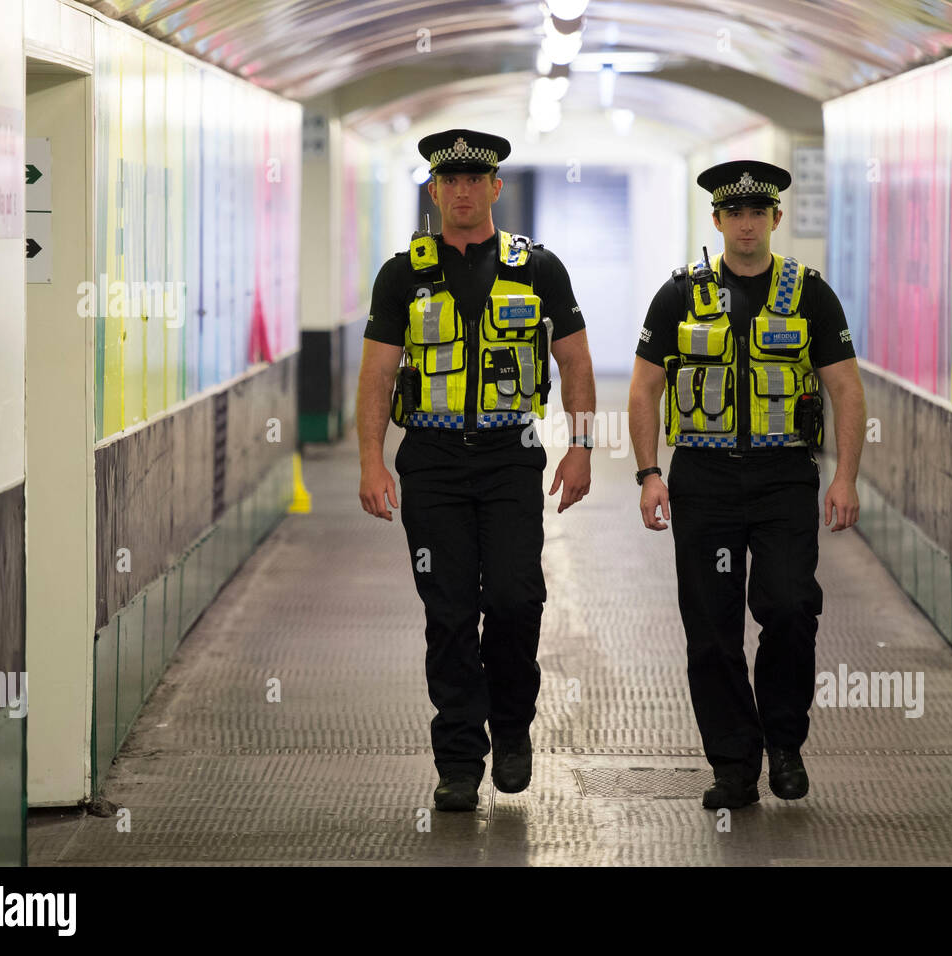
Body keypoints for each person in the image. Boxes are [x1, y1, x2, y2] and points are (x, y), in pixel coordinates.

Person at [357, 129, 596, 811]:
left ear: (495, 187)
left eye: (474, 179)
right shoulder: (402, 274)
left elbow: (574, 361)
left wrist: (581, 446)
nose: (461, 191)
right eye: (448, 181)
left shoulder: (539, 269)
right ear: (434, 191)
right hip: (430, 464)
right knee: (451, 613)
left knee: (517, 600)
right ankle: (459, 759)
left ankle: (512, 728)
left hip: (510, 458)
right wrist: (372, 461)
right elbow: (377, 375)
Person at [627, 159, 865, 810]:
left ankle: (784, 743)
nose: (747, 223)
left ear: (775, 220)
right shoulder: (680, 293)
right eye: (735, 213)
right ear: (718, 220)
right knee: (711, 630)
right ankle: (733, 765)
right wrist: (649, 473)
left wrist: (844, 475)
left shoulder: (810, 293)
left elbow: (845, 387)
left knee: (790, 608)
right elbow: (645, 385)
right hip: (702, 478)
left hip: (784, 476)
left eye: (758, 212)